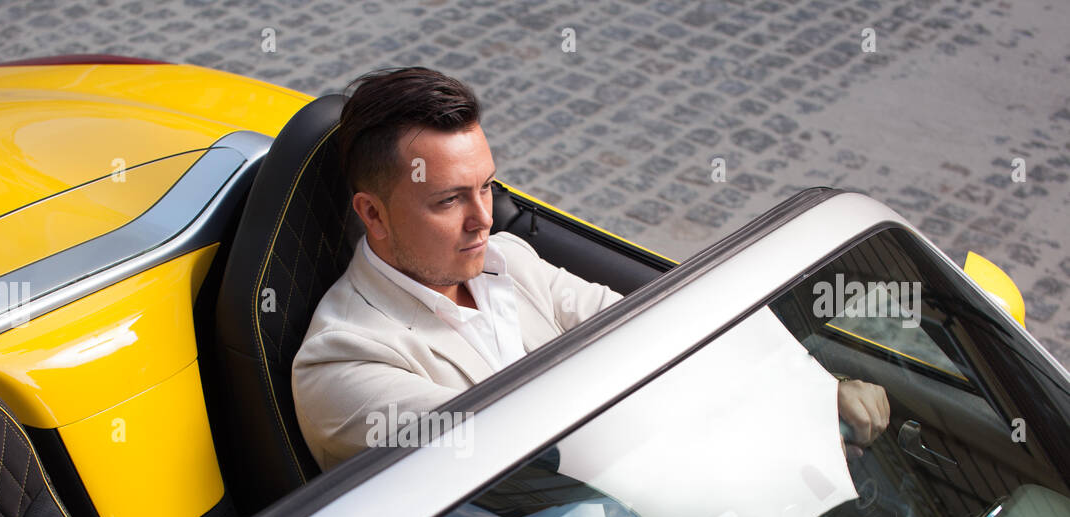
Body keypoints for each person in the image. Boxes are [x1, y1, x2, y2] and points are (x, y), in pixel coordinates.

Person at [291, 66, 890, 471]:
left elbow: (650, 331)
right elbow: (517, 463)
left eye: (487, 187)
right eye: (448, 200)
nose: (483, 218)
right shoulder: (344, 362)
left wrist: (807, 391)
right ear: (373, 214)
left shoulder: (508, 261)